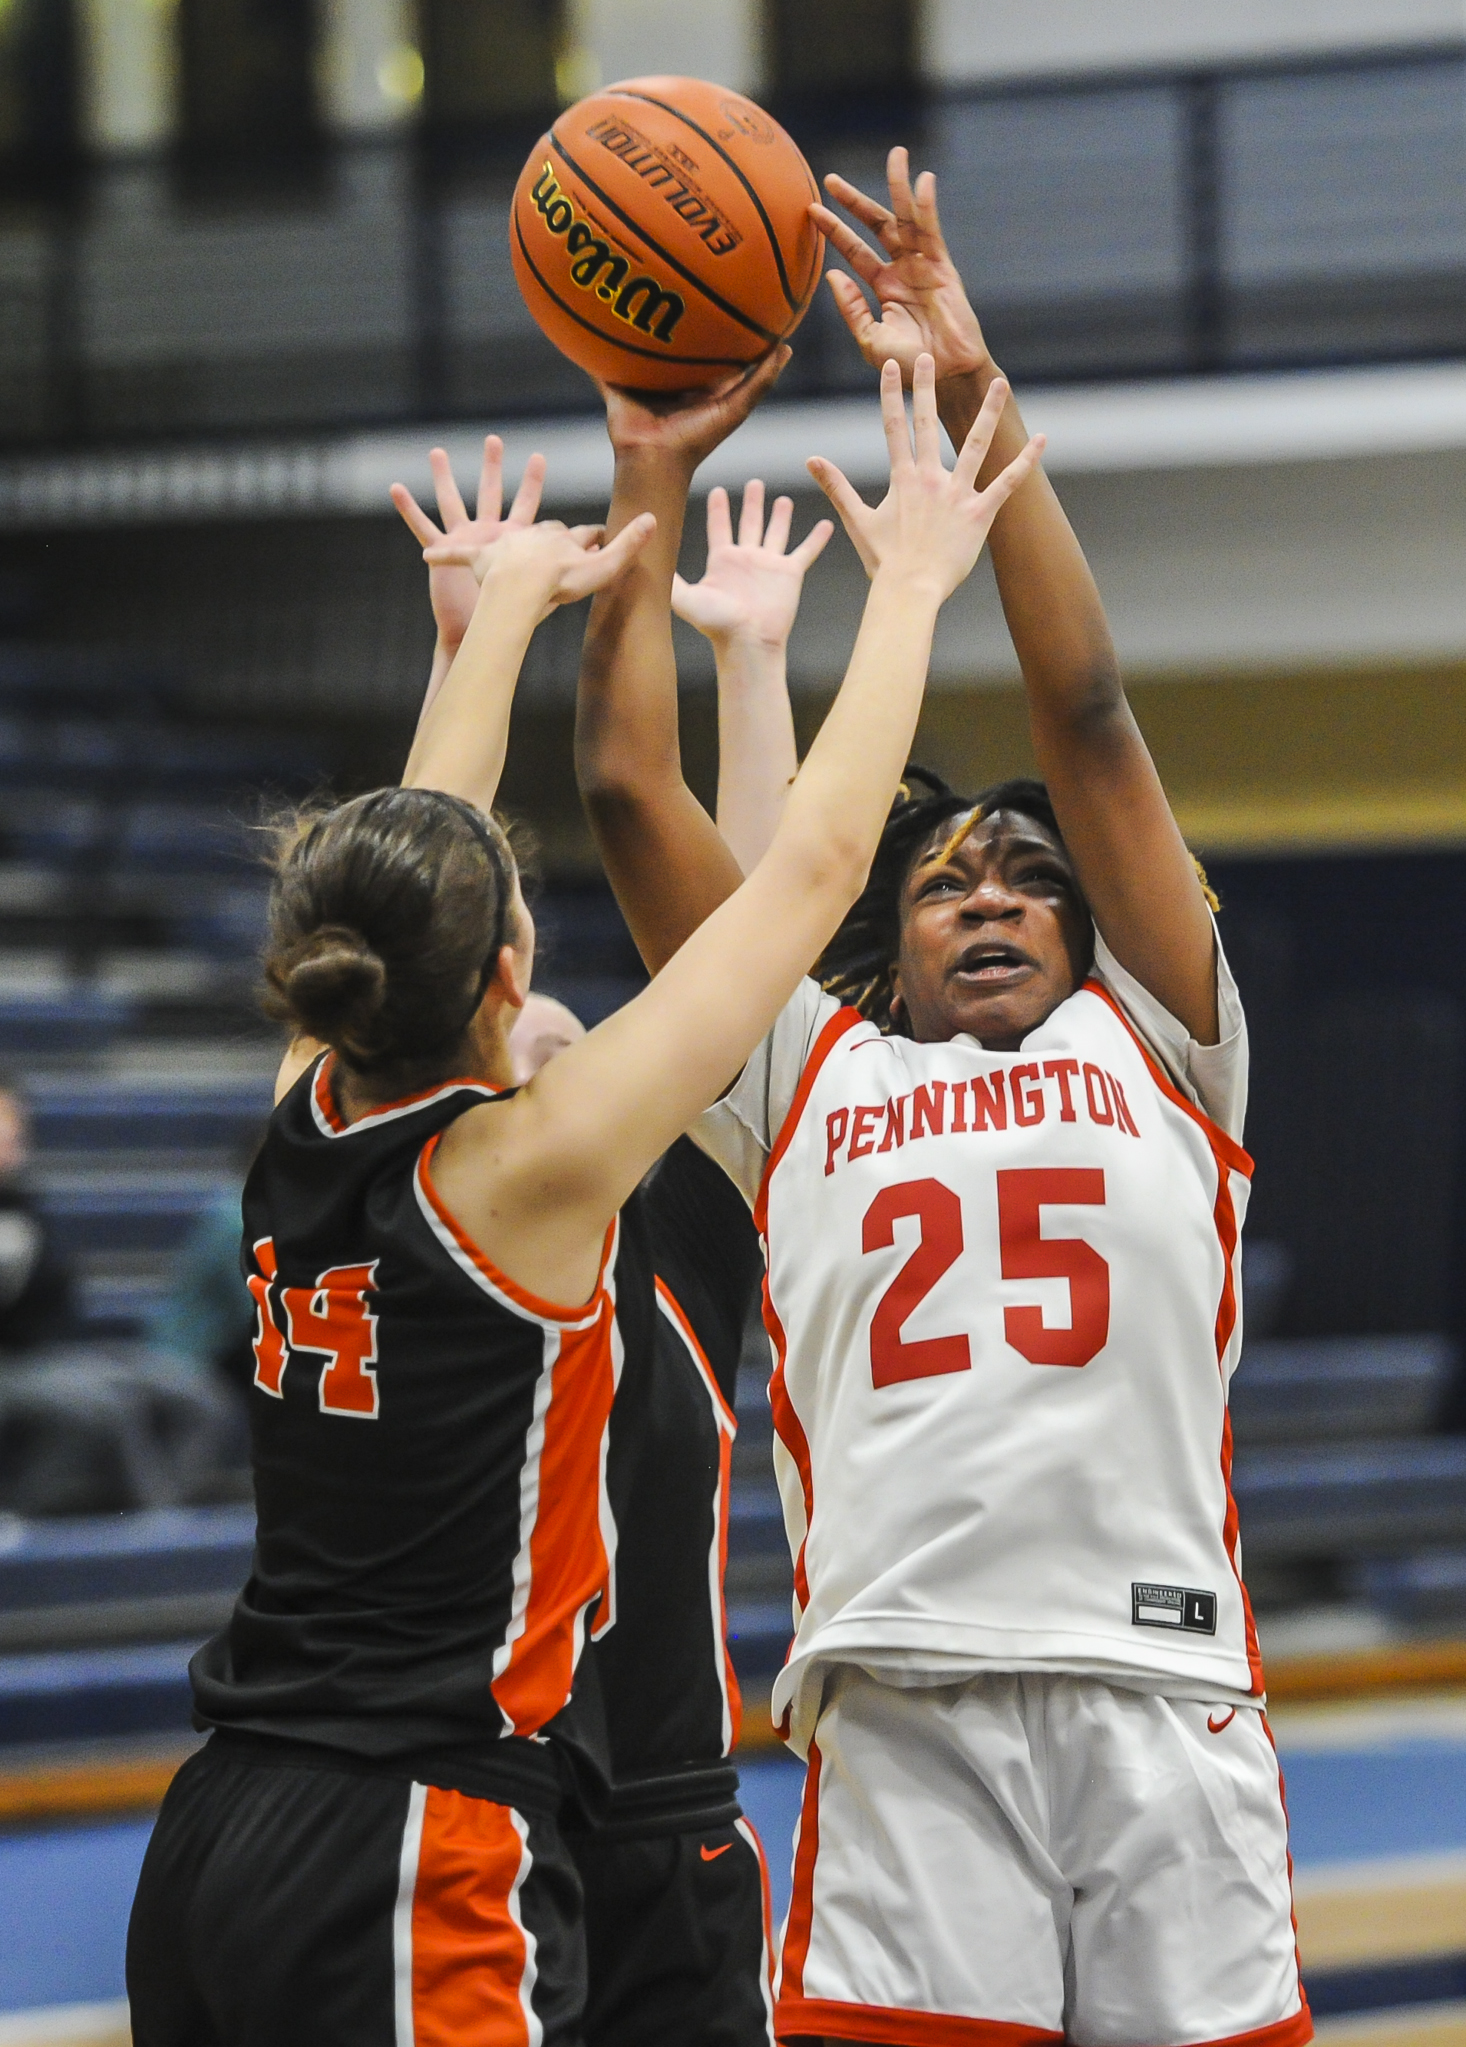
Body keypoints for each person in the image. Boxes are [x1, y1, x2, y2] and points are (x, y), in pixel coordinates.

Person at [127, 368, 1040, 2047]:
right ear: (510, 970)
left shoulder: (302, 1118)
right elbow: (816, 871)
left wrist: (480, 639)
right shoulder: (527, 1170)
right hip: (414, 1830)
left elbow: (414, 852)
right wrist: (910, 581)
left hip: (212, 1831)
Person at [574, 149, 1309, 2047]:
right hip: (901, 1707)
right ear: (871, 952)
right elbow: (624, 797)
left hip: (1164, 1704)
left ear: (1091, 938)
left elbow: (1091, 722)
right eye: (941, 883)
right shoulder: (803, 1067)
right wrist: (648, 471)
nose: (989, 891)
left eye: (1025, 878)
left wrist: (981, 402)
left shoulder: (1157, 1044)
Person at [411, 441, 831, 2047]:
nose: (563, 1047)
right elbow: (408, 945)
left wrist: (747, 659)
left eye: (594, 1044)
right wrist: (469, 653)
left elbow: (741, 955)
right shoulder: (430, 1217)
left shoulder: (686, 1235)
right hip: (467, 1803)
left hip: (661, 1804)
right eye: (524, 1043)